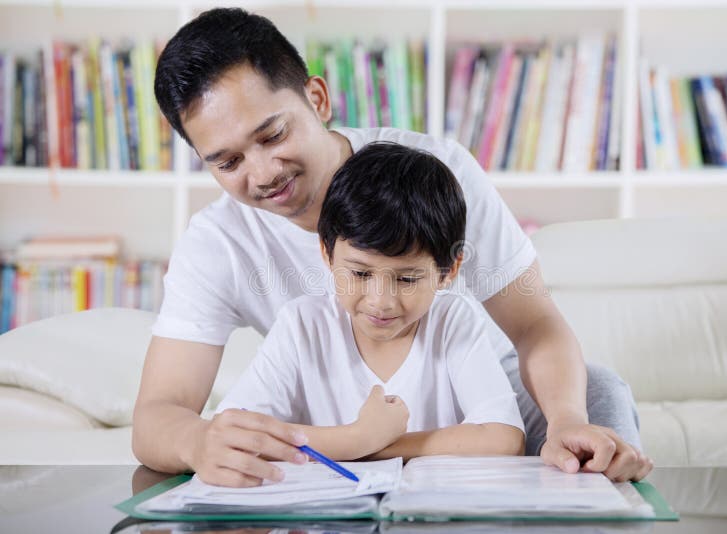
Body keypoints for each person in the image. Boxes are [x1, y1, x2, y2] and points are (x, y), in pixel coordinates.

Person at [134, 7, 652, 487]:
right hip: (340, 422)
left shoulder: (436, 173)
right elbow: (159, 412)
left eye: (272, 135)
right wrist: (198, 441)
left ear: (316, 99)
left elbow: (535, 324)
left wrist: (566, 420)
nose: (263, 174)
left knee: (599, 392)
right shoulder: (216, 243)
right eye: (228, 163)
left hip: (478, 409)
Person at [215, 142, 525, 466]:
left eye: (406, 279)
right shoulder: (302, 326)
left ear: (449, 270)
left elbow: (505, 439)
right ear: (327, 253)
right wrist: (357, 437)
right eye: (360, 273)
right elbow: (233, 436)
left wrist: (374, 446)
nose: (380, 301)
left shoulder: (452, 322)